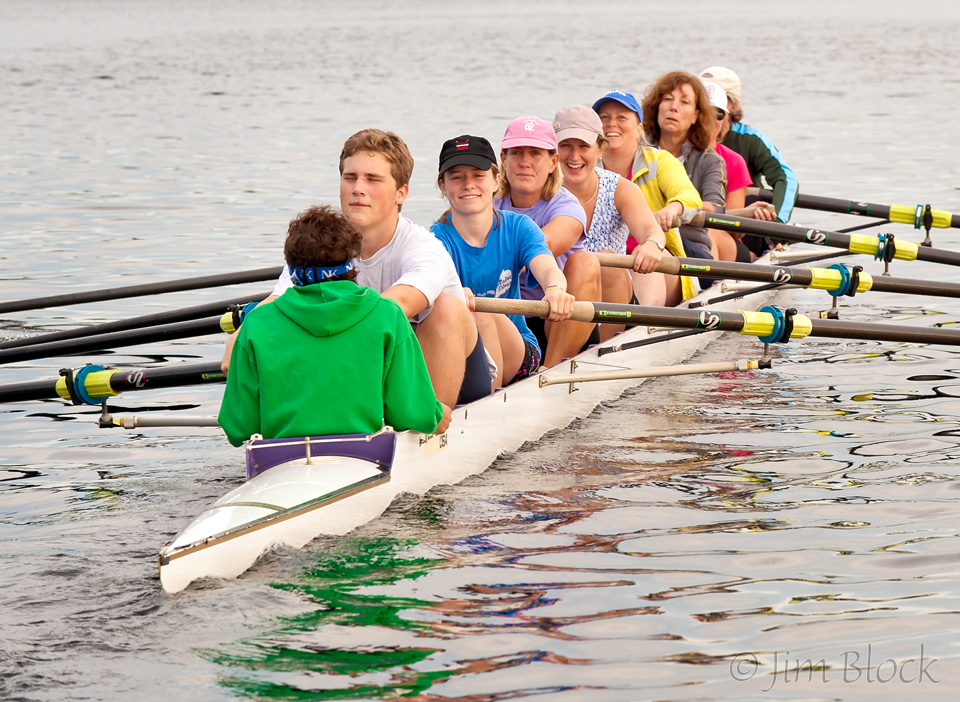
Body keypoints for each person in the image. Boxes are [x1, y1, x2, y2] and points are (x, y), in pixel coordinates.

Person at [222, 129, 493, 407]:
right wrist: (245, 332)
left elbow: (396, 305)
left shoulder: (425, 248)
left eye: (373, 179)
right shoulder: (321, 247)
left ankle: (432, 425)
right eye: (350, 177)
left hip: (461, 378)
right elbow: (280, 303)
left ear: (401, 193)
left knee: (445, 308)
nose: (357, 188)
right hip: (379, 370)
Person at [218, 205, 450, 447]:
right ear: (352, 261)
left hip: (281, 457)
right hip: (365, 452)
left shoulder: (257, 322)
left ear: (291, 267)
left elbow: (238, 428)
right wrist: (435, 414)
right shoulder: (387, 315)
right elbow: (409, 413)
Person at [431, 134, 576, 388]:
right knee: (469, 315)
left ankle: (490, 402)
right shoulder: (434, 240)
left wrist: (555, 289)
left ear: (497, 181)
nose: (468, 184)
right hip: (456, 348)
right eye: (457, 177)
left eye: (478, 175)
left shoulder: (519, 227)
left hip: (518, 350)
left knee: (482, 315)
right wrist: (450, 294)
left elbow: (548, 269)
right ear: (443, 186)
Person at [553, 104, 680, 332]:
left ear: (601, 149)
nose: (574, 157)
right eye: (565, 146)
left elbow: (652, 231)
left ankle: (609, 348)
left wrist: (652, 245)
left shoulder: (620, 189)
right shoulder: (542, 191)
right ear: (553, 151)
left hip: (612, 302)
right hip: (559, 299)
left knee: (606, 260)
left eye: (584, 146)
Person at [493, 116, 601, 366]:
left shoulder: (566, 206)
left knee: (585, 261)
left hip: (556, 318)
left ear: (553, 162)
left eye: (535, 154)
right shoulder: (486, 203)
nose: (524, 163)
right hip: (506, 317)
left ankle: (550, 370)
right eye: (516, 153)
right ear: (503, 159)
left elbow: (542, 244)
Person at [591, 89, 701, 300]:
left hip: (656, 256)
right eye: (604, 117)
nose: (611, 123)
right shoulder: (585, 167)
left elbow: (689, 195)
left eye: (621, 117)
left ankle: (643, 327)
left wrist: (672, 208)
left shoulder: (659, 161)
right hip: (606, 263)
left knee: (643, 255)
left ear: (639, 129)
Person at [700, 66, 799, 253]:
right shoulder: (679, 139)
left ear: (731, 105)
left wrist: (777, 224)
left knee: (752, 200)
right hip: (704, 221)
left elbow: (786, 178)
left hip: (742, 222)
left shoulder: (750, 139)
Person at [641, 71, 726, 261]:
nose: (673, 107)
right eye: (668, 99)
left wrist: (675, 207)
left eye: (684, 102)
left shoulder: (711, 160)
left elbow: (717, 207)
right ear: (656, 108)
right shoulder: (638, 152)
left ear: (696, 116)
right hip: (641, 239)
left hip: (691, 246)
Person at [702, 80, 772, 261]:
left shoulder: (733, 161)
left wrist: (745, 214)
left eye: (717, 114)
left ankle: (753, 258)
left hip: (721, 239)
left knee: (710, 232)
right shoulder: (669, 155)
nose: (709, 119)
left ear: (725, 118)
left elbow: (733, 231)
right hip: (683, 236)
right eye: (703, 112)